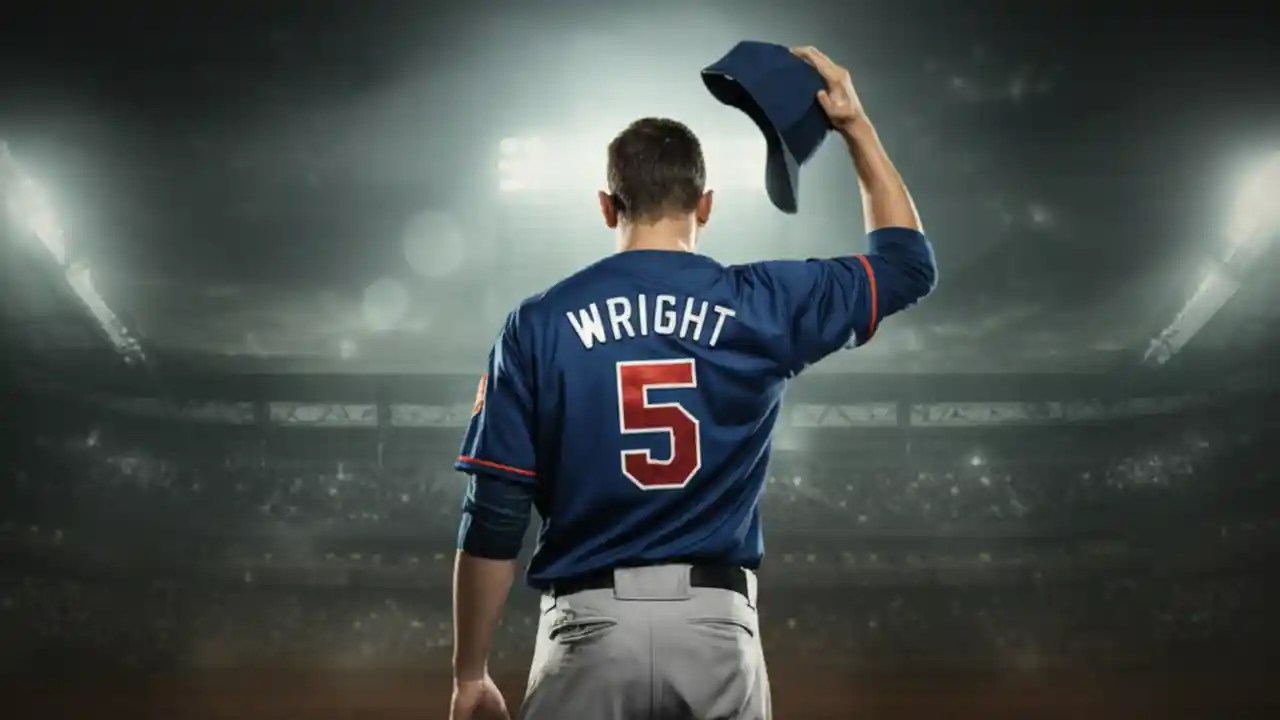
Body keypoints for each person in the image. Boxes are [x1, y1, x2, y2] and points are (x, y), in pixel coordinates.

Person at [449, 46, 937, 720]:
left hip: (586, 629)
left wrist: (469, 674)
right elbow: (908, 266)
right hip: (717, 630)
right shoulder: (762, 302)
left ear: (605, 205)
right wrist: (855, 126)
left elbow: (495, 515)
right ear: (705, 205)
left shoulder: (538, 324)